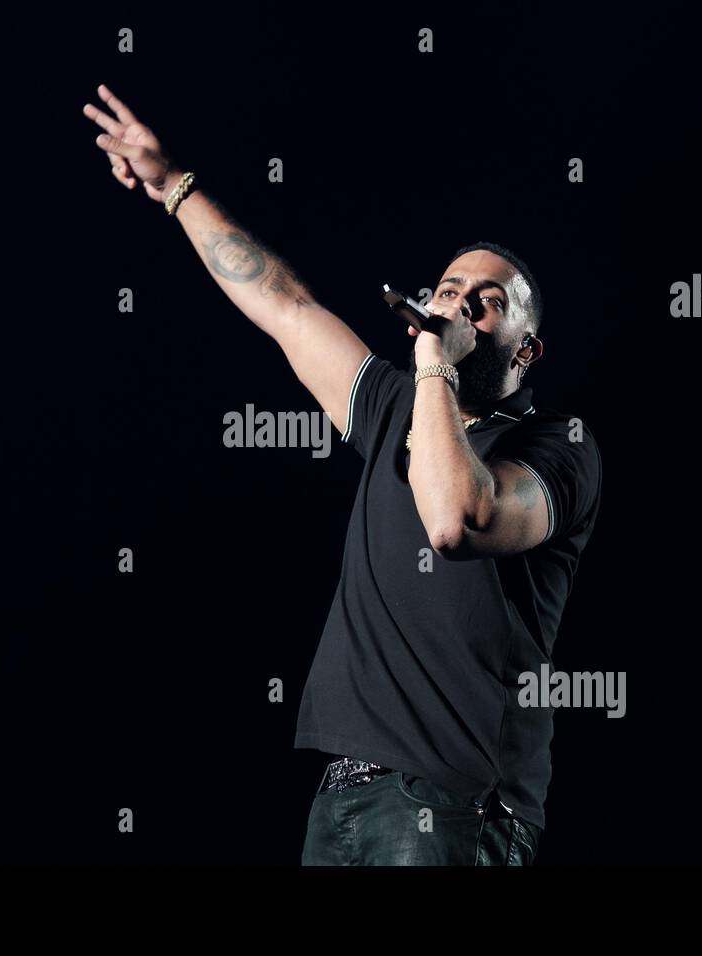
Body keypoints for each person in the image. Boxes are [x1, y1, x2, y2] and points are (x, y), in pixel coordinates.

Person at [83, 83, 602, 866]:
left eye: (486, 304)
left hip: (459, 806)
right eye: (450, 291)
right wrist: (173, 188)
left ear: (525, 350)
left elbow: (455, 519)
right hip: (344, 800)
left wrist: (433, 359)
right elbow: (284, 305)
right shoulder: (397, 404)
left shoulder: (557, 443)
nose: (459, 306)